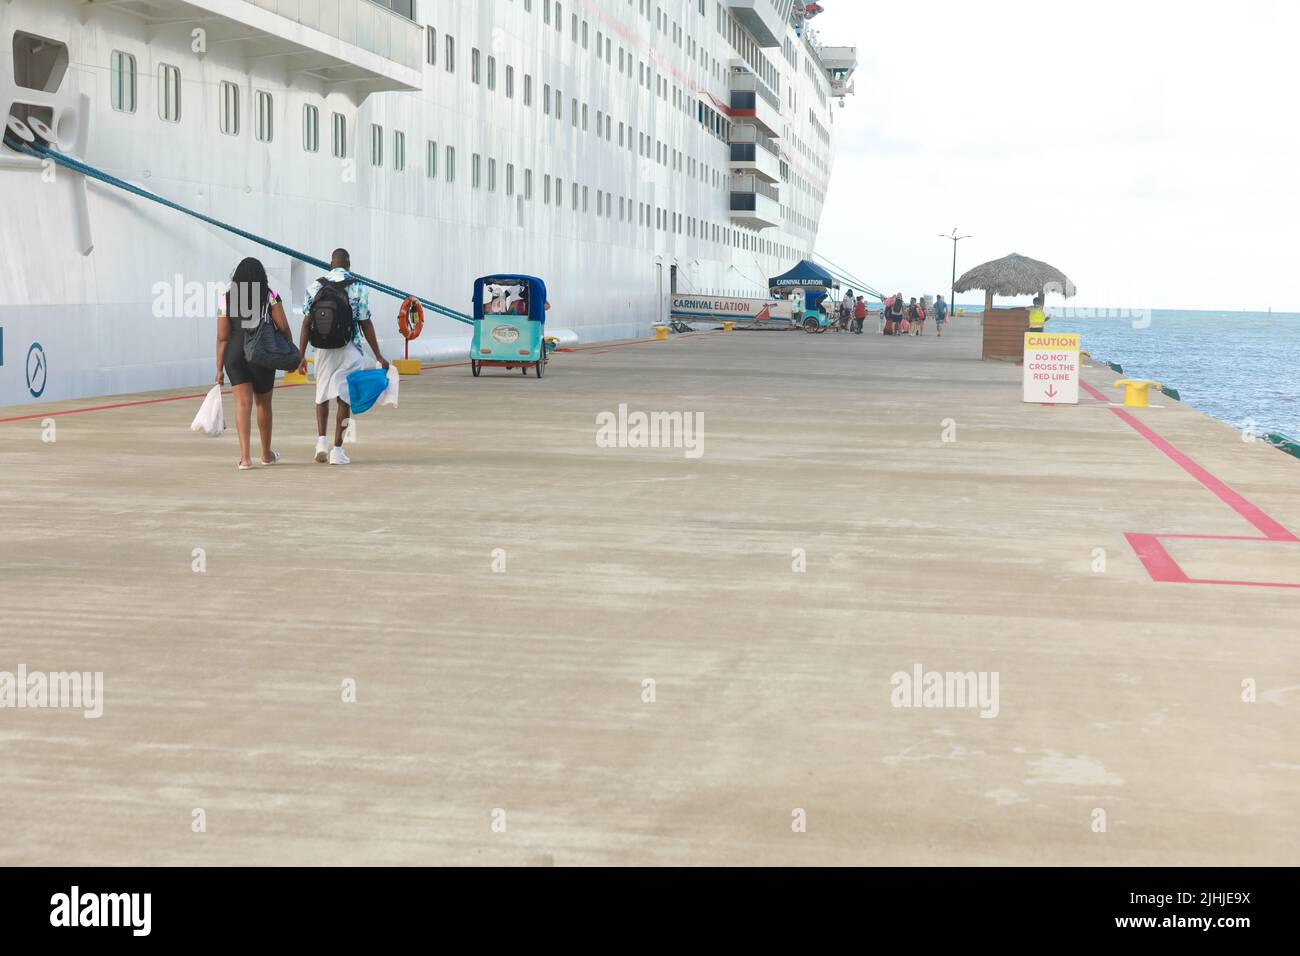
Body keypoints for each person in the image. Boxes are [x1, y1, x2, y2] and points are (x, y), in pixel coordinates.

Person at [297, 248, 389, 466]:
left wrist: (299, 356)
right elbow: (365, 322)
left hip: (322, 349)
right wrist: (378, 355)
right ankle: (337, 451)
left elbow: (306, 323)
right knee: (344, 400)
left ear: (331, 263)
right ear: (348, 264)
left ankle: (321, 442)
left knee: (321, 395)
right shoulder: (357, 287)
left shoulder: (315, 286)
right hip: (349, 348)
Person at [215, 256, 294, 470]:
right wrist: (289, 350)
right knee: (263, 403)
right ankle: (266, 454)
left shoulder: (226, 299)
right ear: (262, 276)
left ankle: (245, 458)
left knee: (242, 404)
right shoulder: (270, 296)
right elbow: (284, 327)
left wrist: (219, 369)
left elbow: (222, 337)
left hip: (234, 355)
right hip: (261, 353)